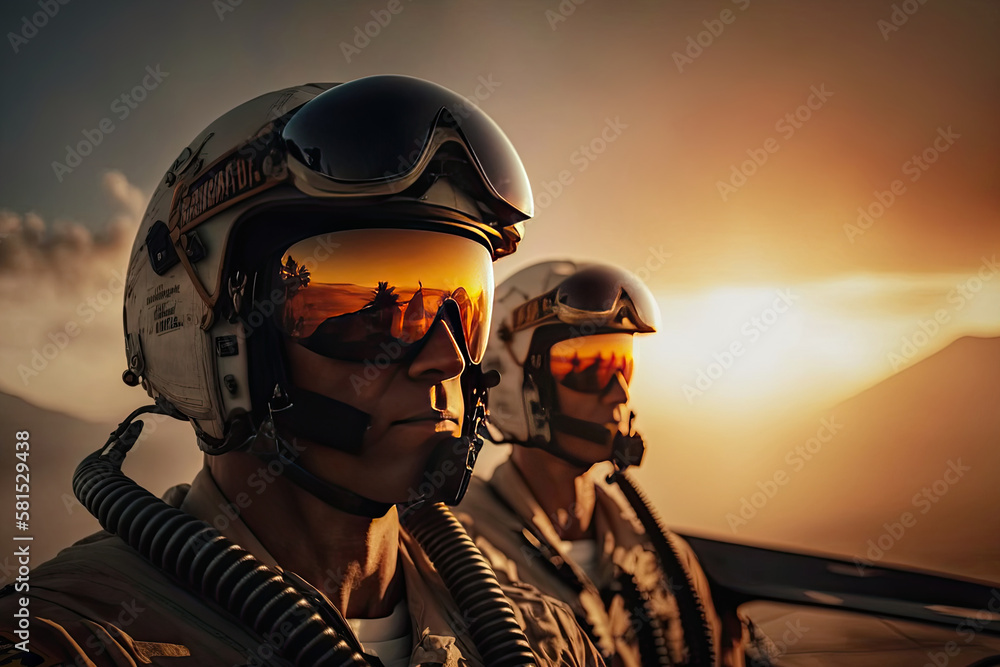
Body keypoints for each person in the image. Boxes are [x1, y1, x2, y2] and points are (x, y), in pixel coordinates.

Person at [0, 76, 604, 667]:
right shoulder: (74, 637)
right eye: (380, 327)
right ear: (221, 338)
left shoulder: (545, 642)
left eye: (465, 307)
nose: (447, 358)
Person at [456, 260, 757, 667]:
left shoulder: (665, 558)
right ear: (514, 381)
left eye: (622, 364)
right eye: (586, 368)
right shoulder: (460, 556)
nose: (619, 394)